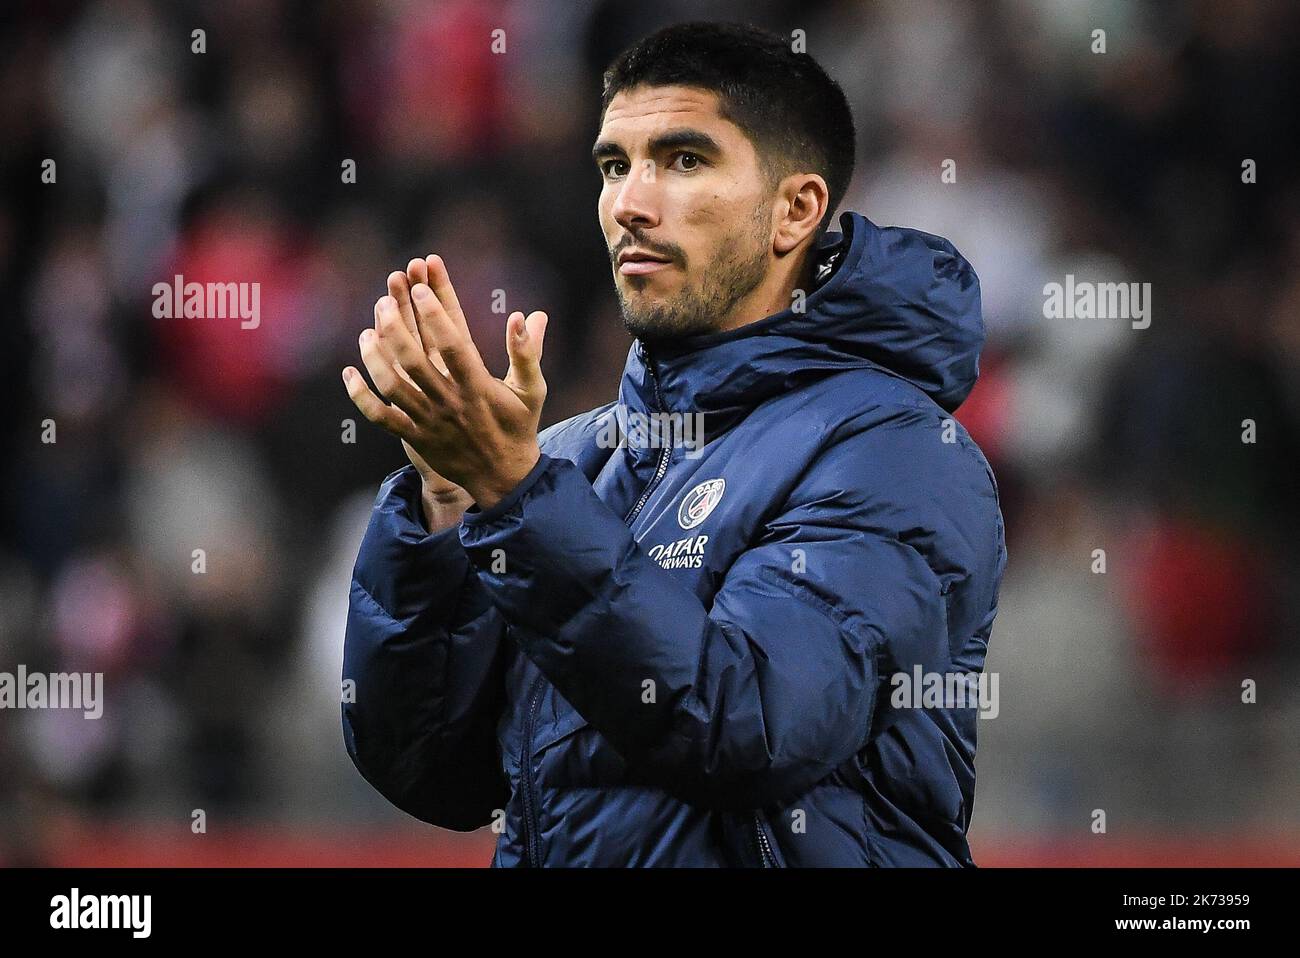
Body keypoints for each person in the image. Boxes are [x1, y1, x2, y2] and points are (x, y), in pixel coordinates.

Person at [340, 21, 1005, 867]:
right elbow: (431, 772)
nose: (630, 203)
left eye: (684, 160)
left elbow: (751, 727)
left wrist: (512, 494)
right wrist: (446, 500)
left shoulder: (898, 450)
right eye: (615, 166)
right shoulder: (570, 462)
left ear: (795, 209)